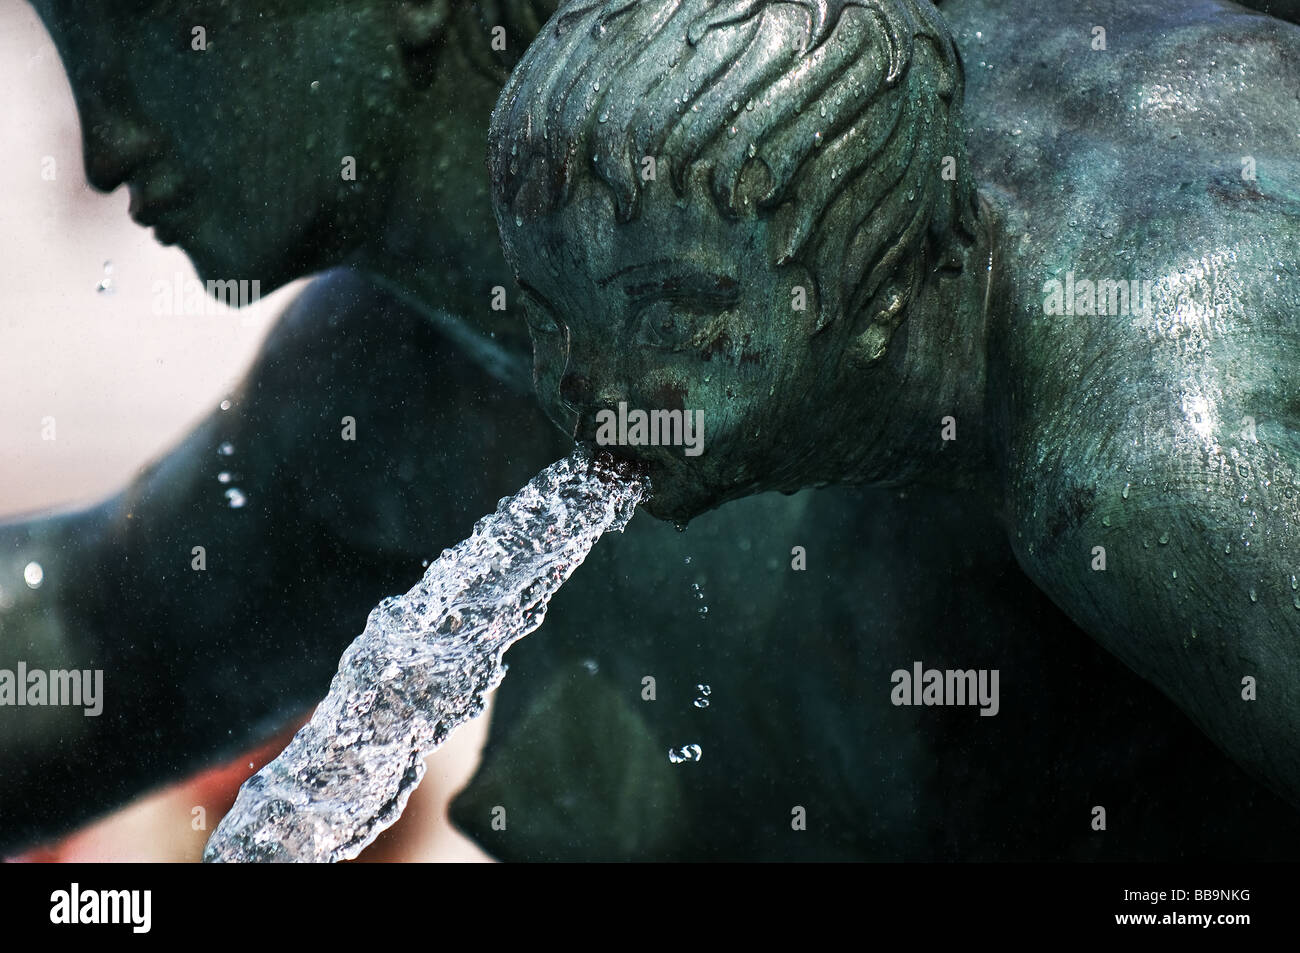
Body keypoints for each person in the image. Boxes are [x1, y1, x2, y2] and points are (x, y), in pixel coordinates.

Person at [485, 0, 1300, 823]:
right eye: (549, 315)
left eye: (671, 318)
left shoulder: (1146, 479)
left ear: (883, 298)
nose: (583, 388)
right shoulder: (891, 62)